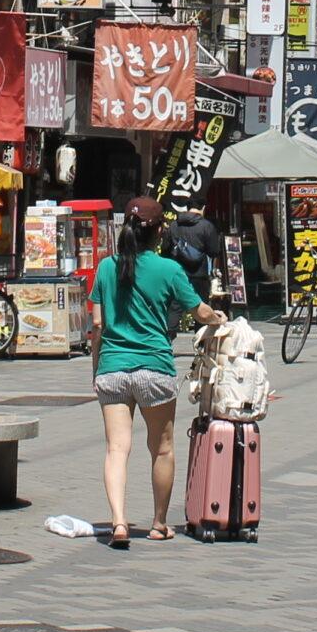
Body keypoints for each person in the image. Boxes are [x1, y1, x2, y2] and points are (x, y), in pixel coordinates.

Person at [90, 196, 225, 546]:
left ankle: (118, 522)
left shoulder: (107, 267)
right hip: (154, 368)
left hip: (112, 369)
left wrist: (96, 370)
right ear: (160, 231)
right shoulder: (168, 270)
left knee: (116, 449)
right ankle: (158, 523)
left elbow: (98, 326)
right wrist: (219, 318)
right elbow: (200, 312)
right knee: (161, 448)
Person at [166, 205, 224, 305]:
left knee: (175, 309)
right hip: (199, 274)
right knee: (201, 308)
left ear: (187, 208)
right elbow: (214, 251)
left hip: (177, 272)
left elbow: (165, 249)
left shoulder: (174, 225)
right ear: (203, 208)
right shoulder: (207, 226)